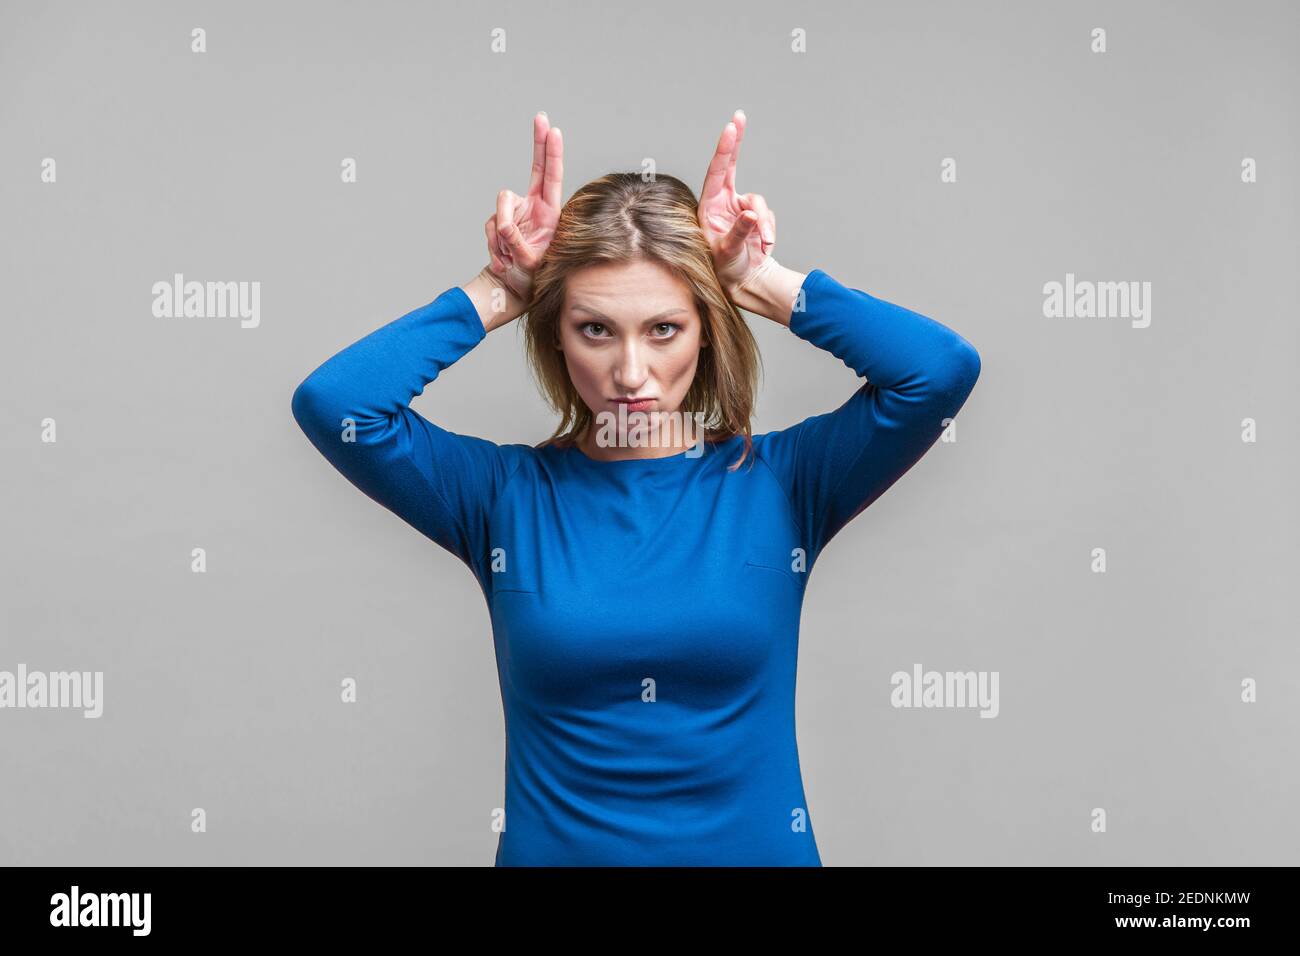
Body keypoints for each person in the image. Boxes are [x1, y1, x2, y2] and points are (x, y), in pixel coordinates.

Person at [290, 109, 981, 866]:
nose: (629, 373)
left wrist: (759, 279)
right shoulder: (502, 498)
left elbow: (937, 371)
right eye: (595, 329)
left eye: (663, 329)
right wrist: (499, 288)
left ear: (707, 330)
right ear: (555, 332)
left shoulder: (782, 484)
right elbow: (338, 405)